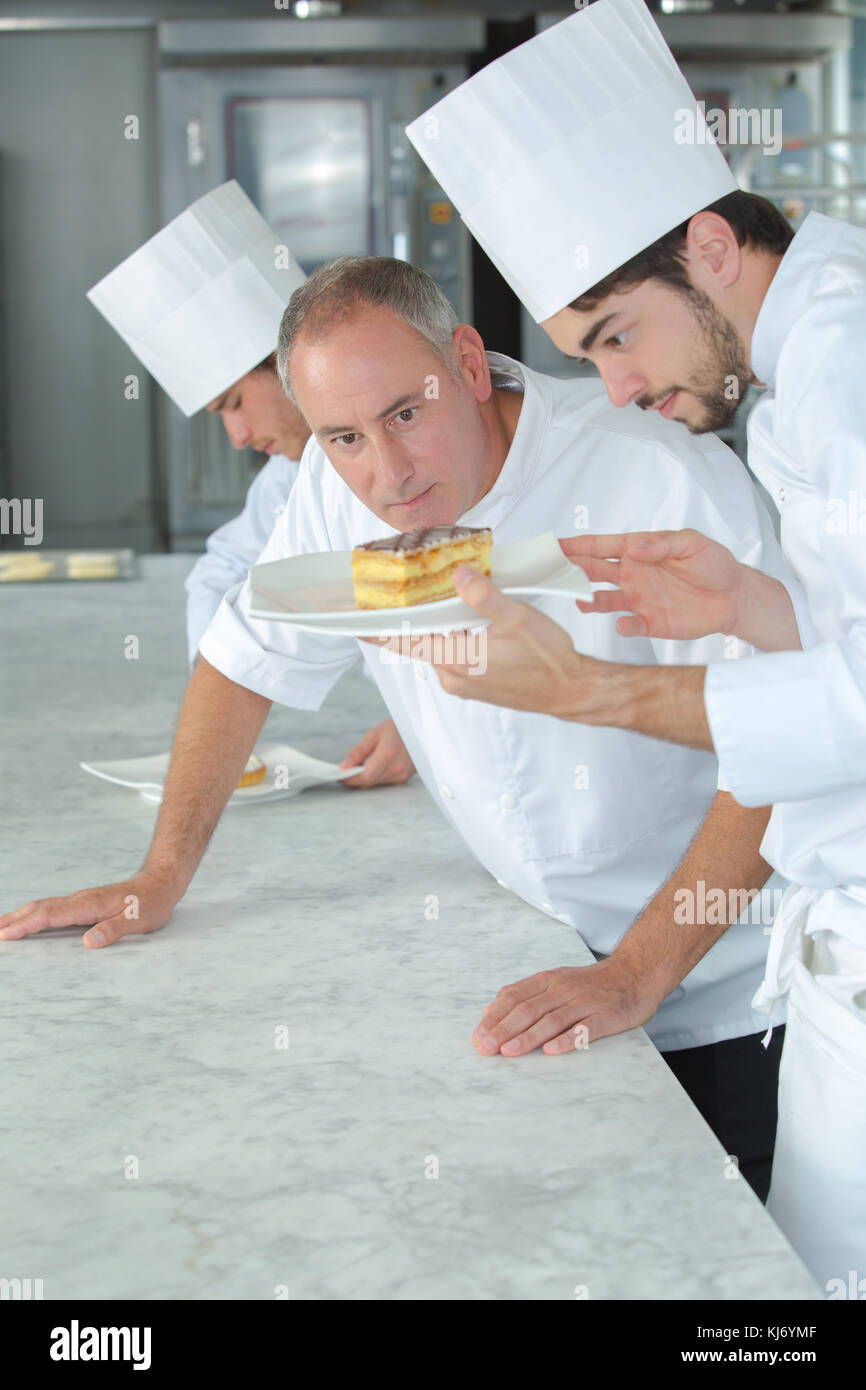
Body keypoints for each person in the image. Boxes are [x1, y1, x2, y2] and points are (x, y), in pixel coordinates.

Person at [2, 256, 805, 1203]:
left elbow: (784, 742)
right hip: (533, 954)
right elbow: (241, 658)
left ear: (468, 362)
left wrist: (637, 973)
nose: (386, 473)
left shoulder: (662, 474)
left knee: (737, 1285)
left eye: (406, 415)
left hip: (725, 986)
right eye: (343, 436)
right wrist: (160, 874)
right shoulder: (341, 489)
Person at [403, 0, 865, 1287]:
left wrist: (594, 690)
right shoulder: (784, 371)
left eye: (613, 335)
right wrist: (743, 607)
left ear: (708, 244)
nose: (611, 389)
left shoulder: (844, 358)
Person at [87, 180, 413, 790]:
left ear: (289, 362)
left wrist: (426, 718)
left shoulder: (423, 446)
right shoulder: (285, 480)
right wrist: (222, 700)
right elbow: (227, 568)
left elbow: (488, 591)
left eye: (235, 403)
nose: (237, 436)